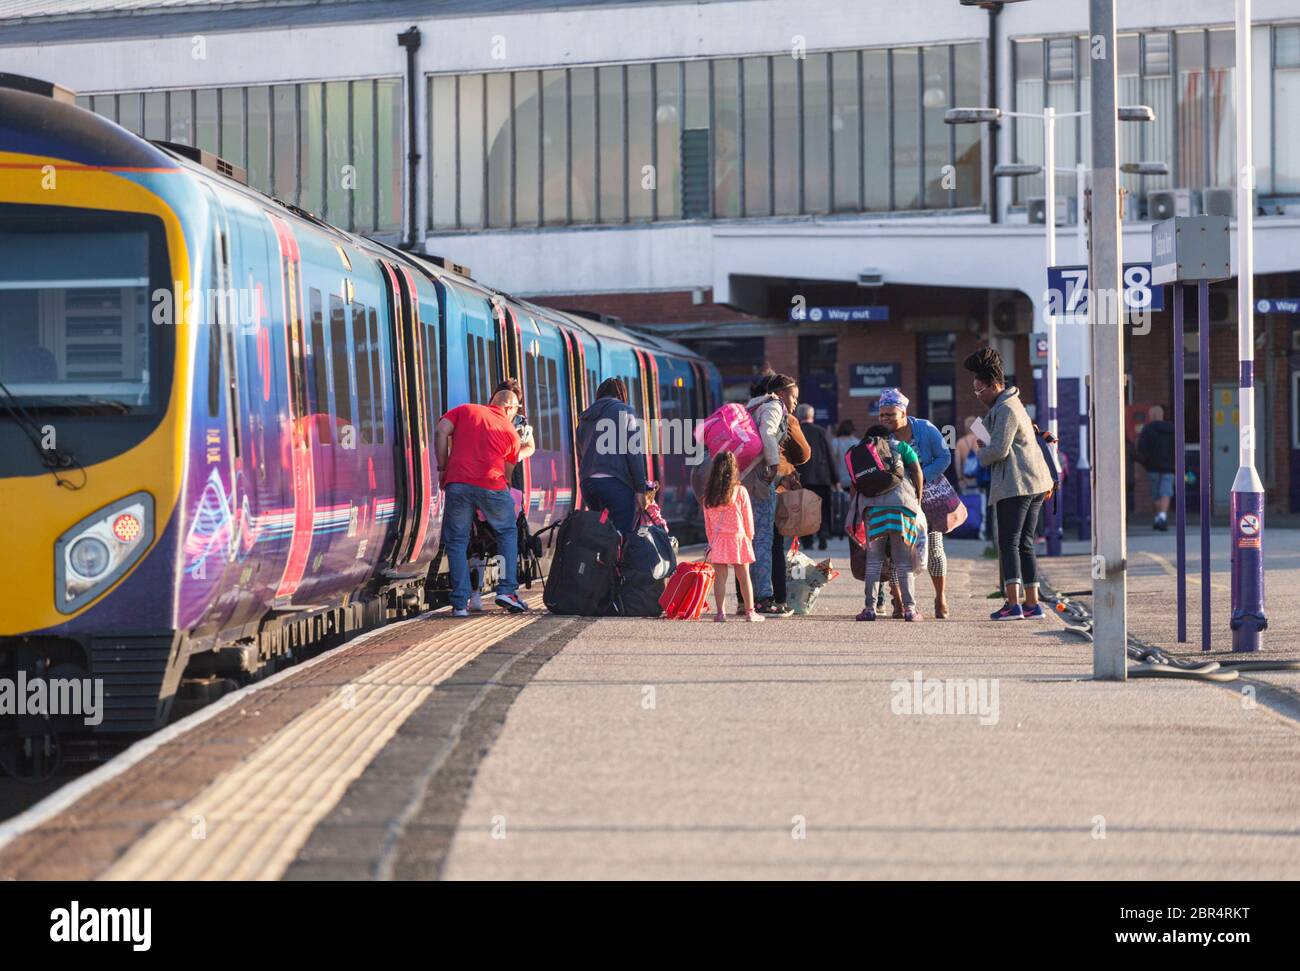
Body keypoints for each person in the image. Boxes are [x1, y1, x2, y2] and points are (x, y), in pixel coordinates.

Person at [964, 347, 1054, 621]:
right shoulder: (1015, 405)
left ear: (993, 385)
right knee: (1025, 543)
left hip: (1017, 483)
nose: (978, 397)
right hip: (1034, 482)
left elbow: (999, 450)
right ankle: (1032, 603)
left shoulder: (1005, 409)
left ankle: (1013, 604)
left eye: (980, 392)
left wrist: (982, 451)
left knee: (1009, 543)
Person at [436, 379, 536, 617]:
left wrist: (443, 468)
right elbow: (508, 474)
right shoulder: (511, 433)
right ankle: (507, 590)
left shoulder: (466, 410)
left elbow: (441, 431)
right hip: (491, 484)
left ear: (492, 400)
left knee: (457, 541)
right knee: (507, 532)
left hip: (458, 483)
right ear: (511, 408)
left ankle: (460, 604)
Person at [874, 388, 954, 618]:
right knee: (898, 551)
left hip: (927, 497)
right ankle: (900, 601)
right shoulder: (881, 436)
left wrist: (919, 477)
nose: (885, 419)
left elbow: (944, 457)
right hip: (897, 500)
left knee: (934, 549)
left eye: (890, 414)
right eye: (882, 415)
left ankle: (940, 597)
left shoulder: (925, 428)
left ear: (904, 412)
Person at [852, 423, 926, 622]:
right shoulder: (901, 447)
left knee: (873, 560)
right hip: (901, 509)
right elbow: (918, 471)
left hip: (873, 510)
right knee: (903, 561)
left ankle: (869, 608)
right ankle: (910, 609)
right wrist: (918, 497)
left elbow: (856, 484)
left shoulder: (862, 452)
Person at [741, 371, 799, 616]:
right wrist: (775, 465)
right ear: (782, 393)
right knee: (763, 539)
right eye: (794, 397)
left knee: (747, 538)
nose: (795, 402)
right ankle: (765, 598)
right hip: (760, 479)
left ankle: (747, 598)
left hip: (743, 477)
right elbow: (767, 433)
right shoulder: (774, 406)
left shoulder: (752, 405)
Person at [575, 377, 648, 536]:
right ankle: (617, 560)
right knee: (620, 536)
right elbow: (634, 454)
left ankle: (598, 560)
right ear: (622, 394)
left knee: (601, 533)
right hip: (615, 485)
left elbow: (580, 455)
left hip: (589, 486)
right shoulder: (626, 412)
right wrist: (640, 489)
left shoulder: (584, 418)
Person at [703, 451, 761, 623]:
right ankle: (750, 612)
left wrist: (711, 541)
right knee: (744, 578)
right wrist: (750, 536)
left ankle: (720, 613)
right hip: (738, 538)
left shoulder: (708, 496)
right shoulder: (740, 491)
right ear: (734, 469)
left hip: (718, 540)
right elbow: (748, 518)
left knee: (720, 579)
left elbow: (708, 524)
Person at [795, 404, 834, 550]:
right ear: (812, 415)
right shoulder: (822, 432)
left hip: (802, 479)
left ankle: (808, 540)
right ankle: (823, 534)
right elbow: (829, 456)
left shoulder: (796, 432)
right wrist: (835, 479)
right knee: (822, 509)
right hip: (822, 478)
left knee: (804, 510)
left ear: (798, 416)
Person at [1136, 404, 1176, 531]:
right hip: (1169, 467)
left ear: (1151, 416)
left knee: (1155, 495)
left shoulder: (1147, 430)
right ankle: (1162, 517)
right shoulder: (1173, 429)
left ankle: (1159, 517)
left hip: (1152, 468)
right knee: (1166, 493)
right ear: (1162, 415)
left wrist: (1144, 463)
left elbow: (1142, 451)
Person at [830, 419, 857, 489]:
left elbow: (833, 461)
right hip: (855, 479)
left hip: (841, 479)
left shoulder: (836, 442)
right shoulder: (858, 442)